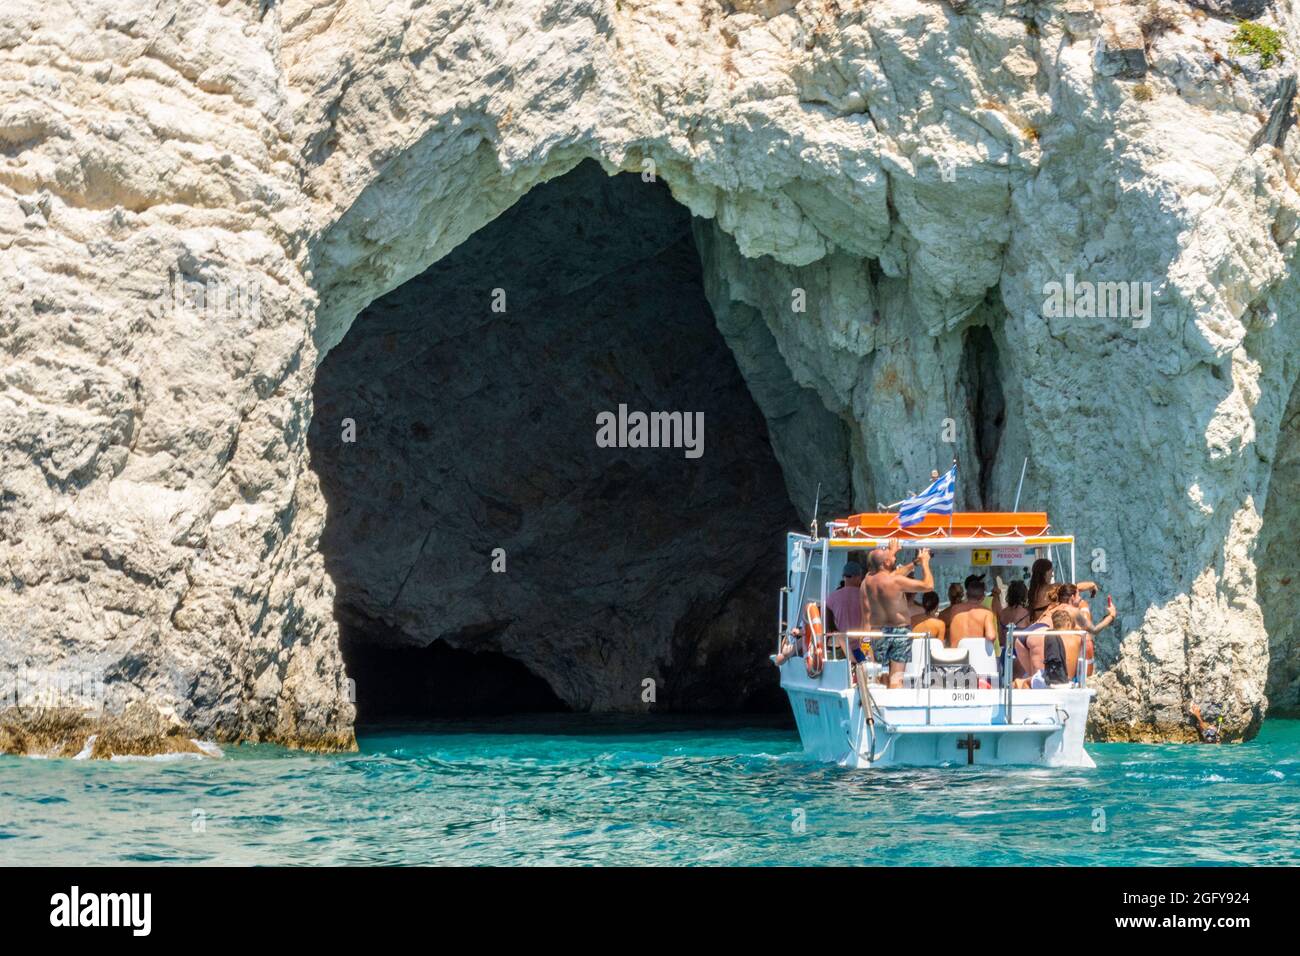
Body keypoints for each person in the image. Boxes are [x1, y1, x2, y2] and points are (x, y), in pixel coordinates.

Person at [860, 546, 934, 688]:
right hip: (900, 631)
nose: (895, 557)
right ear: (886, 563)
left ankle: (880, 705)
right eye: (892, 556)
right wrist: (924, 562)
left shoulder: (867, 582)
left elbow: (890, 574)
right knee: (896, 679)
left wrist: (913, 563)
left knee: (880, 676)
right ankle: (893, 703)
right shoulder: (896, 581)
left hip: (878, 632)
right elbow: (928, 585)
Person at [825, 560, 866, 660]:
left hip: (839, 649)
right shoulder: (865, 596)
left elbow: (827, 623)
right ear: (856, 577)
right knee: (863, 674)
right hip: (861, 647)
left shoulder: (832, 597)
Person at [946, 575, 999, 649]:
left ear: (967, 595)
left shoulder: (955, 609)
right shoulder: (986, 612)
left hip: (957, 654)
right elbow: (991, 636)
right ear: (983, 597)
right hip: (976, 654)